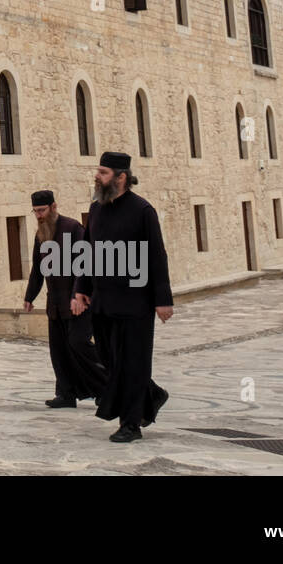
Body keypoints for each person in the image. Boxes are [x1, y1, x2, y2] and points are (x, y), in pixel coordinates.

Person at [71, 152, 174, 442]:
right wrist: (81, 289)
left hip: (135, 304)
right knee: (110, 360)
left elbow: (157, 256)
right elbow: (87, 253)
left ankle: (131, 424)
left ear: (121, 177)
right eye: (98, 171)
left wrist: (162, 300)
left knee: (133, 362)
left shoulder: (143, 211)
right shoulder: (97, 209)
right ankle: (152, 393)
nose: (97, 177)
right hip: (103, 303)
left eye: (103, 172)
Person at [23, 190, 106, 408]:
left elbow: (86, 265)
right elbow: (38, 269)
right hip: (55, 304)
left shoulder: (73, 228)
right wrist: (30, 296)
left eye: (42, 210)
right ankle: (66, 394)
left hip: (78, 301)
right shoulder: (40, 235)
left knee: (79, 343)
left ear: (53, 207)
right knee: (59, 351)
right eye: (36, 212)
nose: (39, 215)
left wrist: (79, 296)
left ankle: (106, 386)